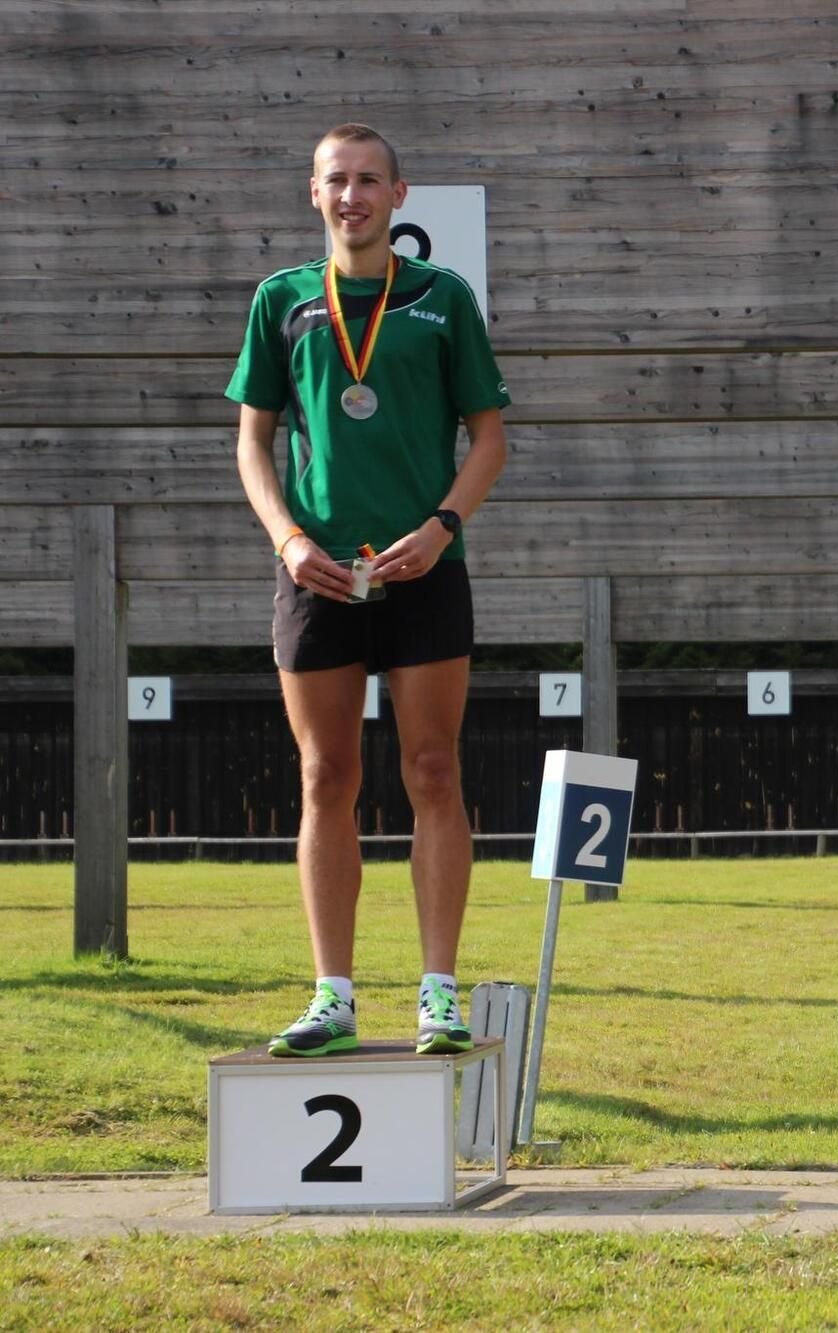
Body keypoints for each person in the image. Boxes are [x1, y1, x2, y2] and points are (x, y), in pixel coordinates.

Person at [227, 123, 510, 1056]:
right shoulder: (282, 301)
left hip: (424, 571)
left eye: (369, 181)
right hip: (316, 575)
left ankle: (438, 990)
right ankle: (333, 995)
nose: (352, 196)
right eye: (336, 181)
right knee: (325, 776)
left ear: (400, 194)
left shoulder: (441, 299)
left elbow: (489, 438)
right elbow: (253, 444)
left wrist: (442, 529)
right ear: (313, 193)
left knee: (433, 770)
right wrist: (286, 539)